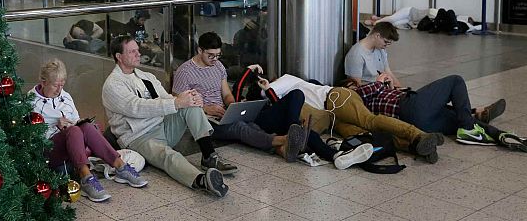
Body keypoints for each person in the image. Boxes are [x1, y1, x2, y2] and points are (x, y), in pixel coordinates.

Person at [174, 33, 373, 169]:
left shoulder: (218, 67)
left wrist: (233, 105)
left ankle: (328, 153)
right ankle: (287, 140)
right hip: (205, 119)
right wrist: (207, 108)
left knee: (285, 102)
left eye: (218, 55)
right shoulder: (185, 71)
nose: (214, 59)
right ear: (199, 50)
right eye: (210, 55)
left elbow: (226, 93)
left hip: (226, 113)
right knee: (242, 128)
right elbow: (177, 100)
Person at [102, 36, 237, 198]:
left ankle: (209, 156)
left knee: (191, 107)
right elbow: (136, 107)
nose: (138, 54)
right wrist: (177, 103)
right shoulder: (113, 84)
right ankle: (201, 180)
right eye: (132, 51)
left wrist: (190, 99)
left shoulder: (146, 76)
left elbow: (166, 98)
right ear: (119, 56)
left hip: (162, 126)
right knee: (169, 156)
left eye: (138, 50)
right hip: (138, 137)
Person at [29, 59, 148, 202]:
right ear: (43, 82)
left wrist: (76, 123)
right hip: (48, 150)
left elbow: (76, 121)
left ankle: (120, 166)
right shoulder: (31, 102)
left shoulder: (65, 97)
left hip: (72, 144)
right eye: (55, 85)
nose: (59, 90)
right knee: (74, 131)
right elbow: (30, 137)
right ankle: (86, 177)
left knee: (85, 127)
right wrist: (57, 127)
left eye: (62, 85)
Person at [257, 73, 443, 163]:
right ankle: (413, 147)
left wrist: (265, 88)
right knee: (365, 134)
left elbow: (268, 94)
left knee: (369, 120)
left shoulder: (285, 80)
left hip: (335, 98)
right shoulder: (283, 97)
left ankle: (418, 135)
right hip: (332, 118)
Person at [346, 74, 507, 146]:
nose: (358, 84)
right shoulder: (352, 96)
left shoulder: (372, 94)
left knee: (457, 118)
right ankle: (469, 126)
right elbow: (358, 92)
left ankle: (498, 134)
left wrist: (389, 87)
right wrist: (379, 82)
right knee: (455, 81)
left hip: (419, 122)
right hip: (408, 107)